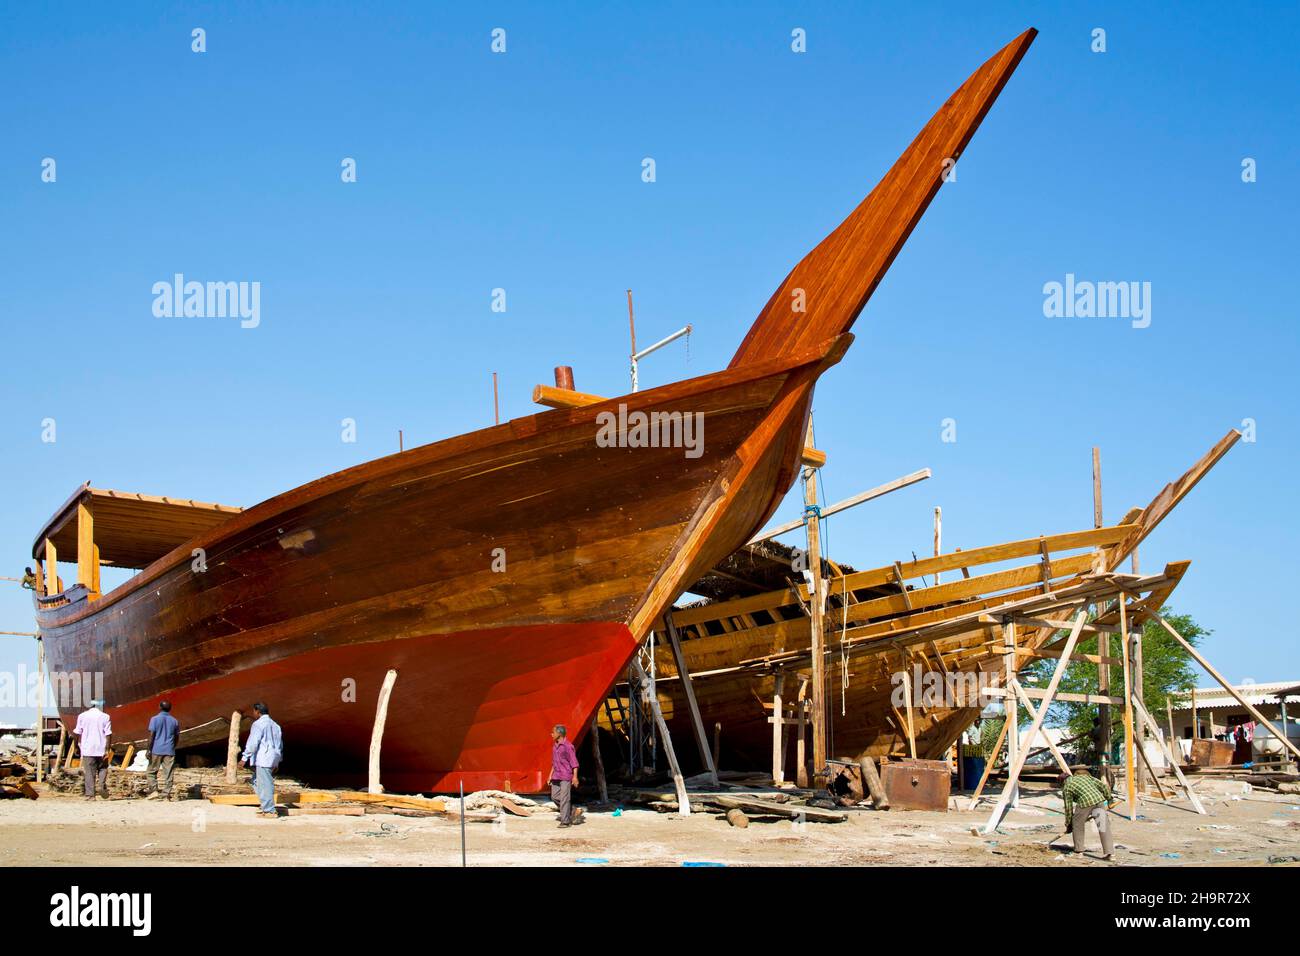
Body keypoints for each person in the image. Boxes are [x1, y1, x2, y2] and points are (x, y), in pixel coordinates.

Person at [1060, 766, 1114, 859]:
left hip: (1085, 803)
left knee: (1077, 825)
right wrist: (1109, 799)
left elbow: (1068, 809)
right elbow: (1103, 786)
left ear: (1062, 782)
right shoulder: (1085, 777)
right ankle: (1110, 854)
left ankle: (1079, 851)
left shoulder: (1067, 787)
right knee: (1103, 826)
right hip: (1099, 800)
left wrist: (1069, 824)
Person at [240, 702, 283, 817]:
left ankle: (269, 810)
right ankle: (265, 804)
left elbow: (253, 743)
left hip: (264, 757)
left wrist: (244, 758)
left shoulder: (258, 724)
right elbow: (280, 744)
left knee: (265, 783)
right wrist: (278, 760)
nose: (253, 714)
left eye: (254, 711)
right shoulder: (276, 726)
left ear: (258, 712)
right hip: (273, 757)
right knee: (256, 780)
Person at [73, 698, 112, 800]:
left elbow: (77, 733)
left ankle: (91, 795)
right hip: (101, 748)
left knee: (90, 772)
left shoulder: (82, 716)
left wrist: (76, 746)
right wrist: (107, 749)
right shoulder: (105, 717)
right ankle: (101, 785)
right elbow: (108, 734)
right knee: (103, 768)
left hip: (88, 749)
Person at [144, 700, 180, 800]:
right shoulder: (174, 721)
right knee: (168, 773)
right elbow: (177, 736)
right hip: (169, 750)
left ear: (159, 707)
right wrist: (173, 746)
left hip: (156, 749)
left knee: (151, 771)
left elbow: (151, 735)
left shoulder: (154, 719)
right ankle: (166, 794)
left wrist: (148, 750)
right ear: (170, 709)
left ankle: (154, 791)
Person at [549, 724, 580, 827]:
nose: (551, 734)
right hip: (556, 776)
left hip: (566, 776)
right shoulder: (555, 746)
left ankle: (565, 821)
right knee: (554, 797)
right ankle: (573, 810)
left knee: (564, 798)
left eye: (553, 732)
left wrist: (575, 777)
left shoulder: (568, 746)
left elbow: (574, 763)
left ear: (559, 734)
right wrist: (550, 776)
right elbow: (554, 763)